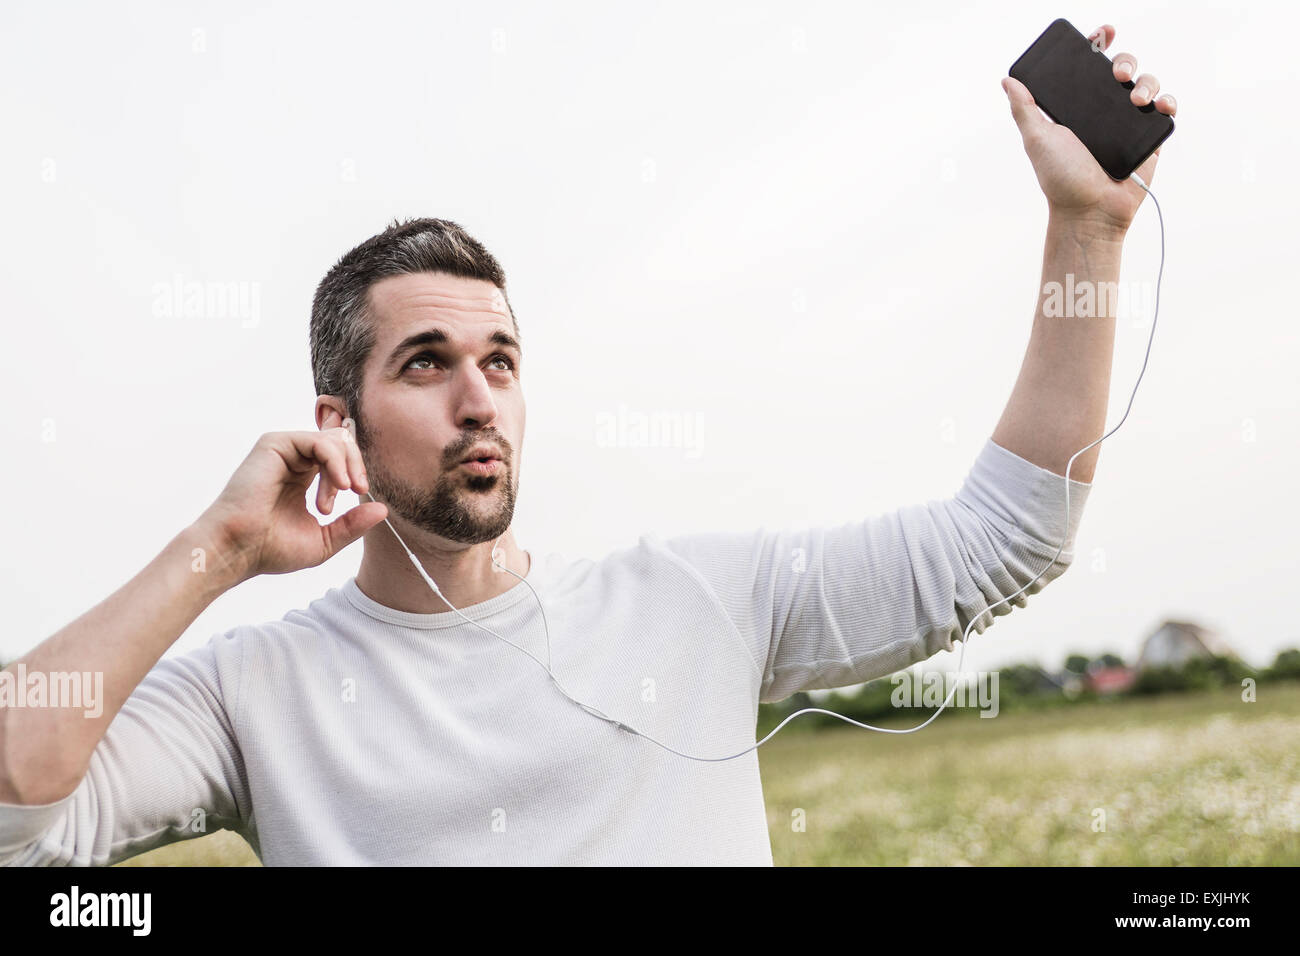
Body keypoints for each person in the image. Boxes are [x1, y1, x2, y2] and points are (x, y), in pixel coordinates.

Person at [0, 24, 1176, 866]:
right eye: (426, 362)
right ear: (335, 424)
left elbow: (1007, 539)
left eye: (500, 360)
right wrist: (214, 549)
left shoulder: (697, 599)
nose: (480, 399)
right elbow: (17, 814)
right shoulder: (252, 692)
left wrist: (1084, 229)